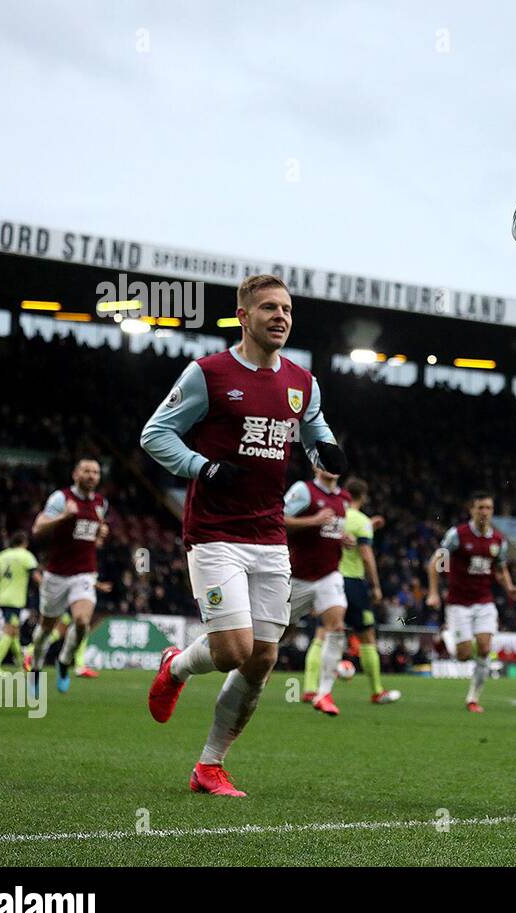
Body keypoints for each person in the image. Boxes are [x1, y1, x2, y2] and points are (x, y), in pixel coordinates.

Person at [141, 273, 346, 797]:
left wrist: (326, 449)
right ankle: (177, 666)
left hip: (270, 533)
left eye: (288, 310)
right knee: (232, 650)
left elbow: (313, 427)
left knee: (262, 658)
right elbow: (155, 434)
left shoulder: (303, 382)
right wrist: (202, 467)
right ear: (243, 317)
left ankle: (209, 765)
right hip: (214, 534)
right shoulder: (207, 375)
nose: (281, 317)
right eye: (270, 309)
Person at [426, 492, 516, 713]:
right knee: (463, 656)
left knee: (485, 647)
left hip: (484, 601)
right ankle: (445, 635)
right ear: (471, 510)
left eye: (488, 508)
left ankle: (473, 699)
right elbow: (434, 563)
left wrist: (509, 588)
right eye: (480, 507)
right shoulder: (457, 535)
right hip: (458, 602)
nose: (484, 512)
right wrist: (433, 593)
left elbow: (500, 569)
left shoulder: (498, 540)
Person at [28, 458, 109, 694]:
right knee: (45, 630)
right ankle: (36, 668)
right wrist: (63, 516)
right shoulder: (61, 498)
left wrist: (101, 532)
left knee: (82, 622)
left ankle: (64, 661)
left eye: (95, 471)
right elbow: (37, 528)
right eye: (86, 471)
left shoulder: (101, 503)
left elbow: (93, 535)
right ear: (75, 474)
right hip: (56, 574)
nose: (91, 475)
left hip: (84, 572)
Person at [284, 465, 351, 717]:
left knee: (336, 627)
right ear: (315, 465)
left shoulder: (344, 498)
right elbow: (277, 519)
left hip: (329, 575)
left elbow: (330, 529)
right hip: (297, 577)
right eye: (325, 460)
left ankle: (324, 693)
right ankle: (257, 669)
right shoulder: (304, 490)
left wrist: (341, 537)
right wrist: (312, 521)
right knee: (278, 631)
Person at [338, 478, 399, 705]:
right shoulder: (361, 520)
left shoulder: (336, 514)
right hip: (353, 582)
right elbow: (365, 554)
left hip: (329, 580)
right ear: (363, 496)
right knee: (367, 635)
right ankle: (376, 691)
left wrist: (369, 526)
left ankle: (313, 690)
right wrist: (375, 585)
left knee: (326, 632)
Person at [0, 530, 39, 672]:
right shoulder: (27, 556)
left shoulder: (2, 556)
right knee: (9, 630)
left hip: (2, 597)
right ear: (24, 543)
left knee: (14, 631)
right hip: (16, 599)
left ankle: (22, 664)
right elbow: (36, 577)